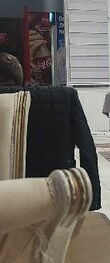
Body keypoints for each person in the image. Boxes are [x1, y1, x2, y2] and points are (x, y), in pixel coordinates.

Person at [0, 52, 101, 210]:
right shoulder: (65, 97)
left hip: (6, 195)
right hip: (57, 190)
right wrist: (91, 198)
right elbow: (87, 147)